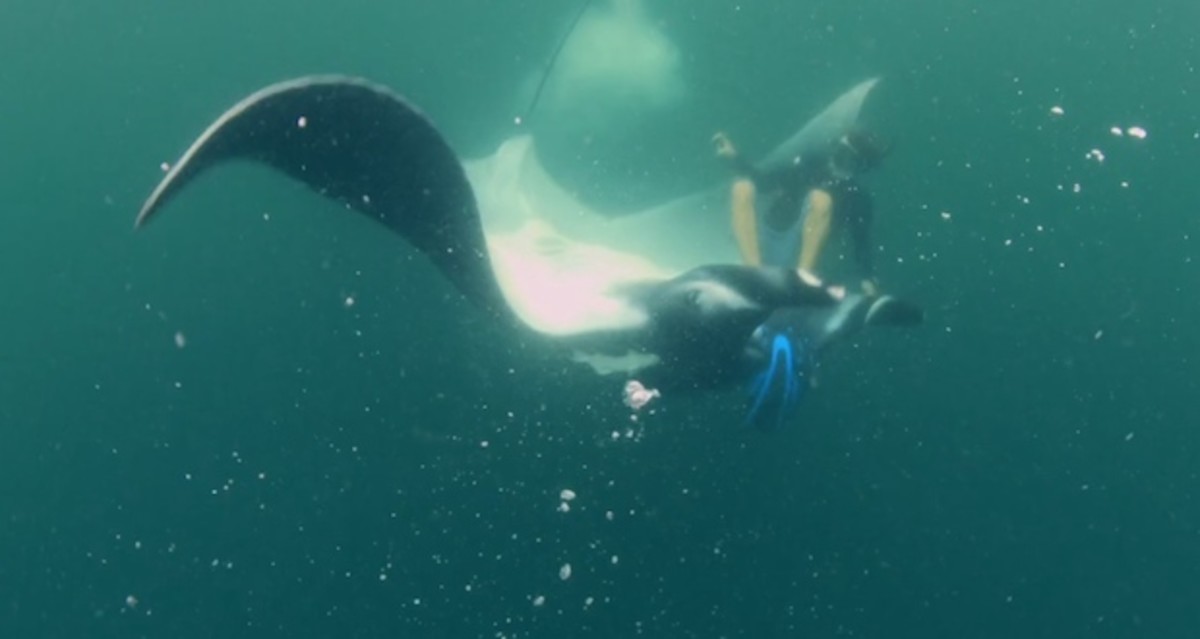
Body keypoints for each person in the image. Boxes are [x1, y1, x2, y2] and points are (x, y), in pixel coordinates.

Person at [712, 128, 889, 295]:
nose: (836, 154)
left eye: (845, 154)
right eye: (837, 146)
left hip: (796, 255)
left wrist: (867, 278)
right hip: (763, 241)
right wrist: (734, 159)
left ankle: (802, 280)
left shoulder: (858, 198)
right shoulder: (810, 165)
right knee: (741, 187)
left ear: (858, 164)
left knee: (821, 199)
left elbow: (861, 241)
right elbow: (765, 182)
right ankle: (754, 273)